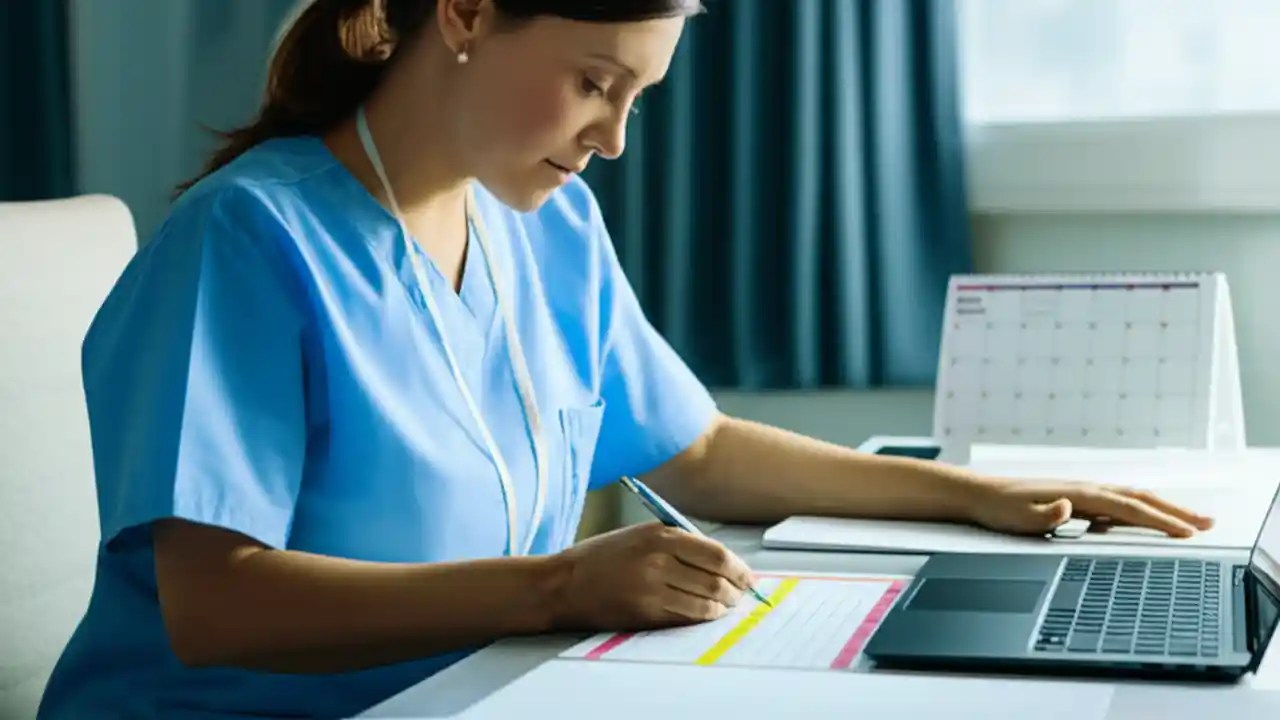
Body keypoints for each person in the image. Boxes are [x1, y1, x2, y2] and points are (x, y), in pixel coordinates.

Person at [38, 1, 1214, 717]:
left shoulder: (543, 224)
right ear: (463, 11)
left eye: (636, 96)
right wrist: (561, 586)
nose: (611, 137)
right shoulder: (248, 240)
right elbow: (215, 606)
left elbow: (694, 448)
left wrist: (977, 495)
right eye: (594, 83)